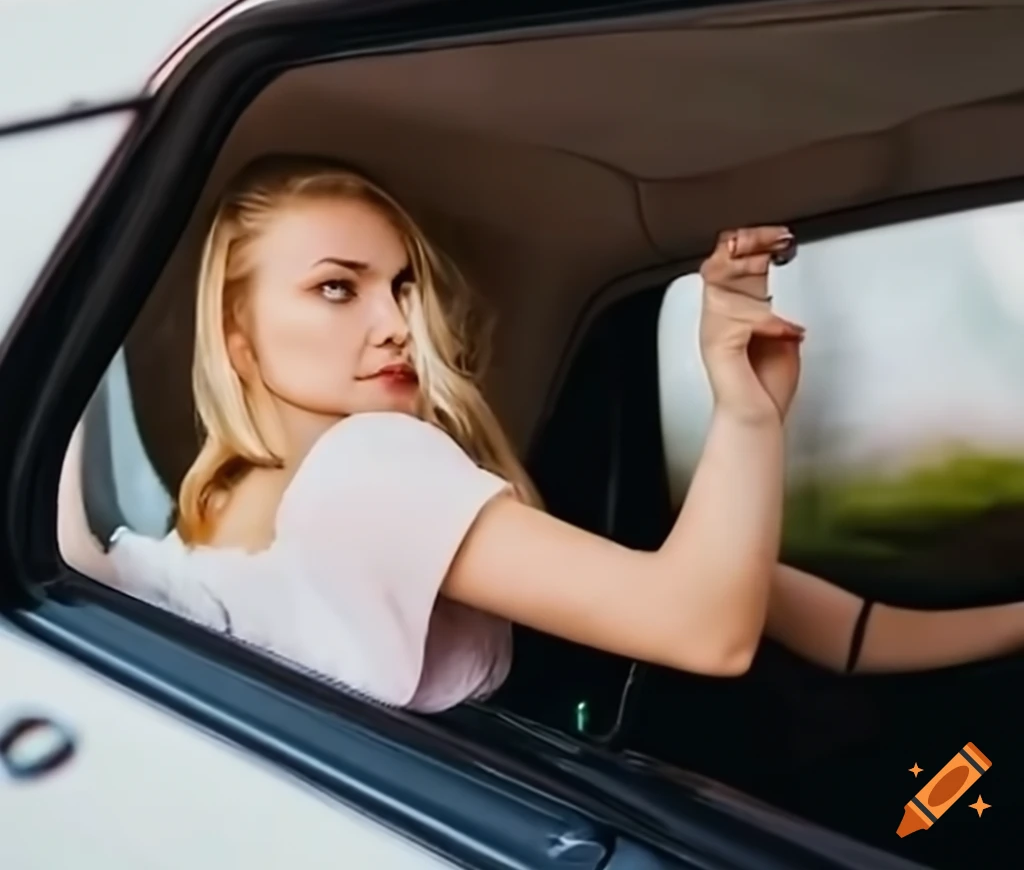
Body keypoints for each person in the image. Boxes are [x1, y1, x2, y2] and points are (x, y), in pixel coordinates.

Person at [57, 156, 1024, 713]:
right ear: (236, 336)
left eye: (401, 287)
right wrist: (740, 408)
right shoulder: (369, 469)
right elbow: (709, 631)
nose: (396, 324)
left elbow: (775, 606)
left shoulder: (190, 540)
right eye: (335, 287)